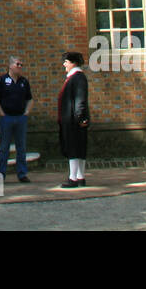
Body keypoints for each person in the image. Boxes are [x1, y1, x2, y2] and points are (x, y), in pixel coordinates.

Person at [0, 56, 32, 182]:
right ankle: (2, 174)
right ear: (10, 66)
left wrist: (27, 112)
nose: (20, 67)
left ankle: (22, 173)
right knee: (4, 147)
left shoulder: (24, 81)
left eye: (21, 65)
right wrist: (1, 113)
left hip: (20, 118)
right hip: (6, 118)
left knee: (21, 147)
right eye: (18, 64)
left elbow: (30, 99)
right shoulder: (2, 80)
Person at [57, 52, 90, 188]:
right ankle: (80, 177)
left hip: (74, 120)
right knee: (78, 148)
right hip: (72, 119)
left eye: (66, 61)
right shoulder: (75, 78)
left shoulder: (78, 78)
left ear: (73, 63)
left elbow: (80, 99)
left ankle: (73, 178)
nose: (64, 64)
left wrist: (80, 117)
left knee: (74, 148)